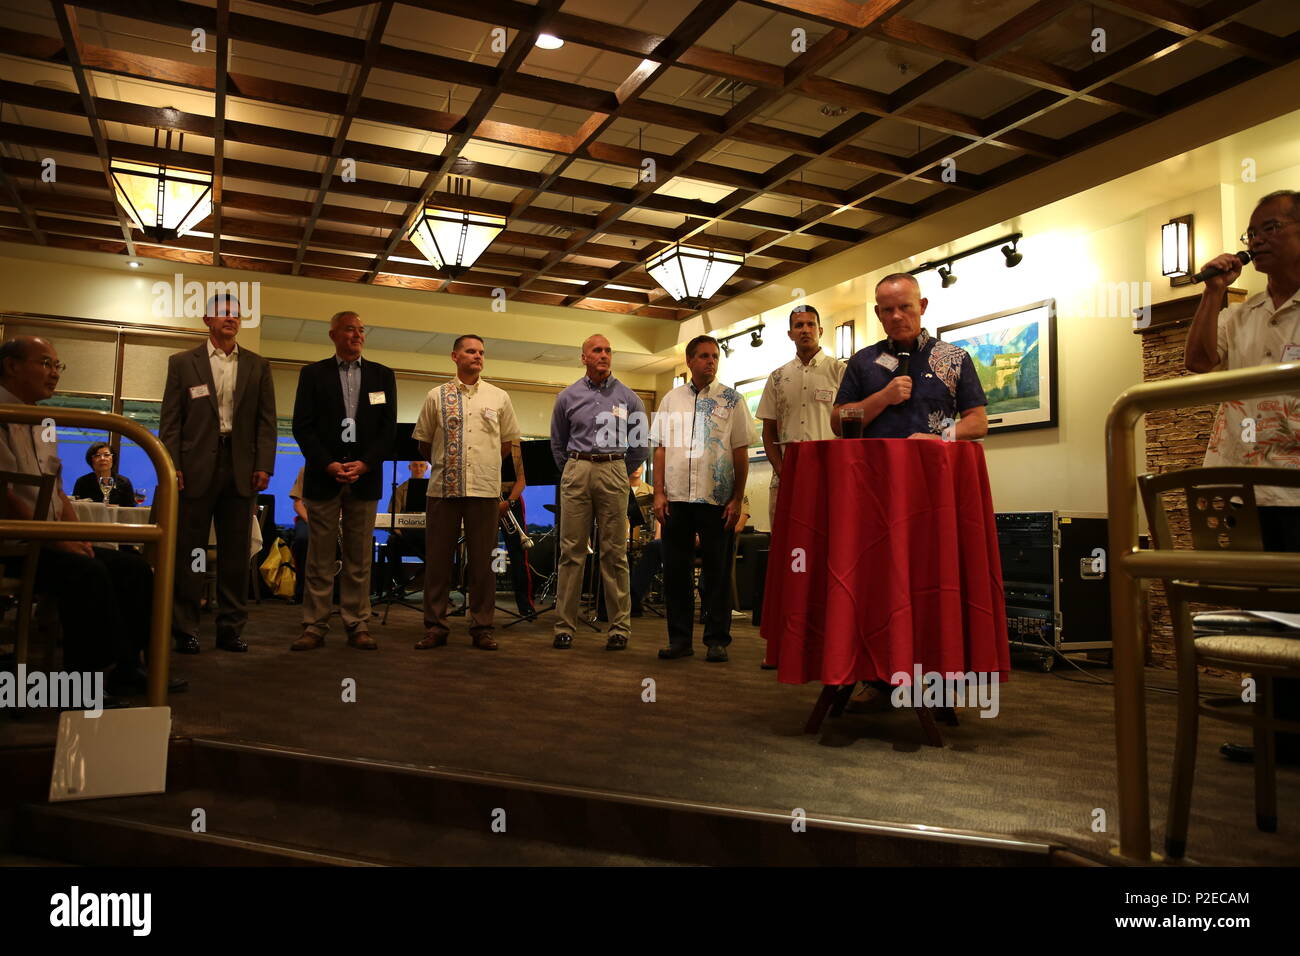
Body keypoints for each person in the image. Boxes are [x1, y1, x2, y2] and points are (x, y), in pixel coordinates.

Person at [1184, 188, 1300, 767]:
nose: (1256, 239)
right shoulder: (1241, 312)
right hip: (1244, 483)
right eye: (1252, 232)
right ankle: (1273, 734)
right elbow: (1199, 362)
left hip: (1297, 483)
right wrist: (1213, 290)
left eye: (1270, 227)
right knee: (1262, 613)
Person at [0, 336, 173, 699]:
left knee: (134, 569)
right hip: (14, 543)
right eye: (45, 363)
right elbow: (4, 496)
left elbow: (58, 491)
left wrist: (75, 536)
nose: (54, 374)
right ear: (12, 366)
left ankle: (128, 666)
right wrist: (56, 539)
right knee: (86, 573)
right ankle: (82, 686)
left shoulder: (44, 422)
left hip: (47, 541)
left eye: (57, 366)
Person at [159, 292, 276, 654]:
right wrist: (172, 464)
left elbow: (266, 422)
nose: (231, 318)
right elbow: (171, 421)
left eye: (237, 314)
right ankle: (186, 627)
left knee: (235, 554)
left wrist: (264, 465)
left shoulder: (258, 365)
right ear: (207, 321)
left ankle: (230, 629)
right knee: (189, 551)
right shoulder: (182, 363)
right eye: (223, 313)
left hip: (240, 468)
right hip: (194, 468)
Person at [290, 312, 397, 651]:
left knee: (359, 557)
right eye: (350, 329)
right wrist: (328, 463)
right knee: (319, 557)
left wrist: (365, 464)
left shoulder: (383, 375)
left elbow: (388, 430)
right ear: (333, 334)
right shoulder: (312, 374)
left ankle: (357, 624)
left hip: (365, 479)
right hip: (324, 477)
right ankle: (314, 625)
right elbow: (302, 426)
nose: (357, 335)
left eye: (362, 330)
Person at [413, 335, 523, 651]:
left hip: (484, 489)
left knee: (484, 562)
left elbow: (505, 445)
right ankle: (435, 626)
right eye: (471, 351)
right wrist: (449, 462)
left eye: (481, 352)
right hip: (442, 490)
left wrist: (480, 465)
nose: (477, 356)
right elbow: (424, 443)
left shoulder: (499, 397)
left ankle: (482, 627)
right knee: (437, 561)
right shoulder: (436, 395)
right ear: (454, 356)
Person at [651, 335, 754, 662]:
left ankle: (717, 639)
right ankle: (680, 640)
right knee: (676, 574)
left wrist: (737, 498)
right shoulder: (671, 400)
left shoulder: (732, 400)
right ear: (690, 360)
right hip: (677, 498)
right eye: (705, 356)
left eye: (715, 357)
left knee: (717, 574)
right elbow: (661, 448)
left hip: (717, 500)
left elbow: (740, 451)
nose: (711, 361)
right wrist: (658, 492)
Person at [549, 334, 648, 651]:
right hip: (577, 468)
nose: (604, 355)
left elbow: (640, 446)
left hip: (614, 467)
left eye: (608, 350)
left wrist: (615, 465)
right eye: (597, 350)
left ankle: (619, 628)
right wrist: (573, 468)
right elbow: (557, 443)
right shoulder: (567, 396)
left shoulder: (630, 398)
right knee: (571, 552)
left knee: (614, 553)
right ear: (584, 357)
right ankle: (564, 626)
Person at [833, 273, 988, 441]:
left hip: (934, 463)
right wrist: (883, 397)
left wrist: (939, 437)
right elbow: (836, 424)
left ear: (922, 306)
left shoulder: (955, 358)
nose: (896, 316)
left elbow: (977, 422)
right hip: (875, 464)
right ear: (878, 313)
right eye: (888, 309)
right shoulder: (862, 360)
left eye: (905, 307)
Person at [758, 304, 845, 529]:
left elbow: (851, 426)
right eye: (799, 325)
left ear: (820, 330)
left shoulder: (840, 371)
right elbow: (768, 432)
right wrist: (781, 470)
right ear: (790, 334)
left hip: (830, 475)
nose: (805, 330)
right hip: (786, 476)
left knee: (829, 536)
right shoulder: (777, 377)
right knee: (787, 540)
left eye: (810, 324)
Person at [385, 460, 429, 594]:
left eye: (421, 465)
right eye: (415, 465)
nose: (418, 468)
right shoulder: (400, 490)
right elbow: (391, 518)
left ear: (426, 468)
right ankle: (401, 584)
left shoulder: (434, 490)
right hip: (406, 536)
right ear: (410, 467)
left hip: (428, 535)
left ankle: (436, 587)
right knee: (392, 543)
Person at [72, 442, 137, 506]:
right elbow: (75, 507)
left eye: (106, 455)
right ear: (91, 460)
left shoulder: (124, 482)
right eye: (97, 455)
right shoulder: (82, 482)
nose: (102, 459)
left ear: (112, 459)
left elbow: (131, 509)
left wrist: (116, 508)